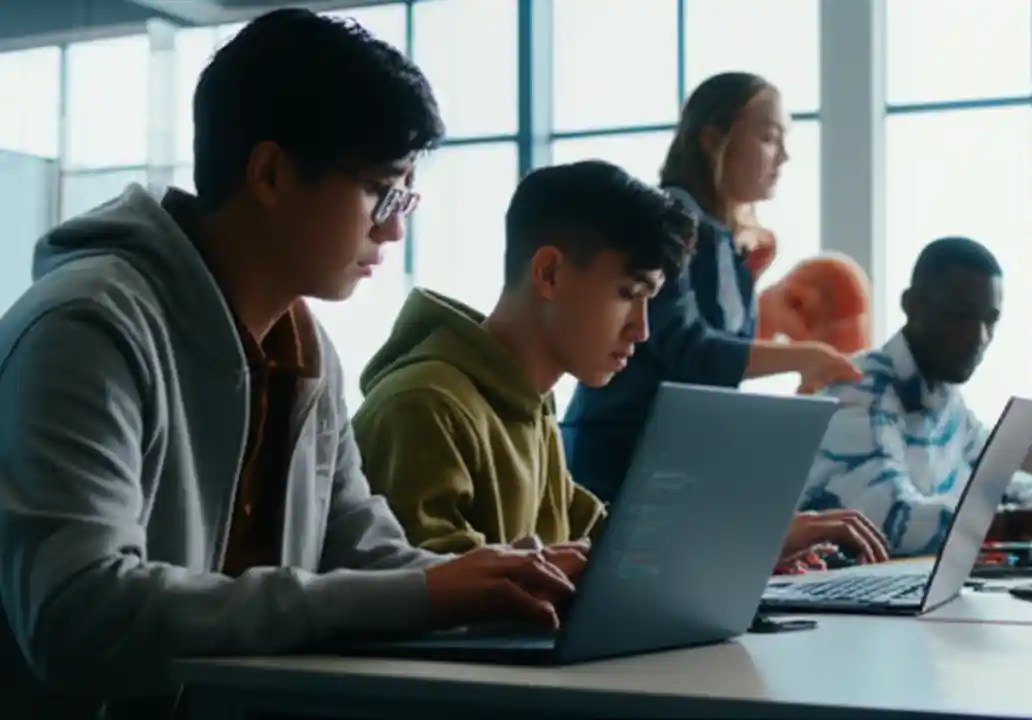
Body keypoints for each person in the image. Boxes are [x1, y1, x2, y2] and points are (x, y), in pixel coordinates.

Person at [0, 11, 573, 717]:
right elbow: (78, 614)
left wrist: (511, 582)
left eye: (404, 197)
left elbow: (369, 559)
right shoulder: (87, 328)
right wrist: (425, 593)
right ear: (270, 173)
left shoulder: (304, 351)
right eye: (381, 190)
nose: (395, 227)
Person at [353, 160, 889, 568]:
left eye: (649, 300)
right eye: (628, 294)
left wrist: (752, 544)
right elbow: (444, 592)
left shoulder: (527, 402)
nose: (642, 329)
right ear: (549, 274)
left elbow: (608, 539)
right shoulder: (425, 405)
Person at [561, 72, 860, 504]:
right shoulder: (670, 218)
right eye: (768, 137)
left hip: (678, 459)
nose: (783, 156)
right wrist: (807, 355)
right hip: (620, 460)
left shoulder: (730, 246)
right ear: (712, 139)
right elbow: (689, 349)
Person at [799, 237, 1032, 556]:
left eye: (990, 320)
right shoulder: (860, 391)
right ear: (912, 305)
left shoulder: (945, 399)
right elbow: (896, 523)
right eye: (961, 316)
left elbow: (1003, 483)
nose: (979, 336)